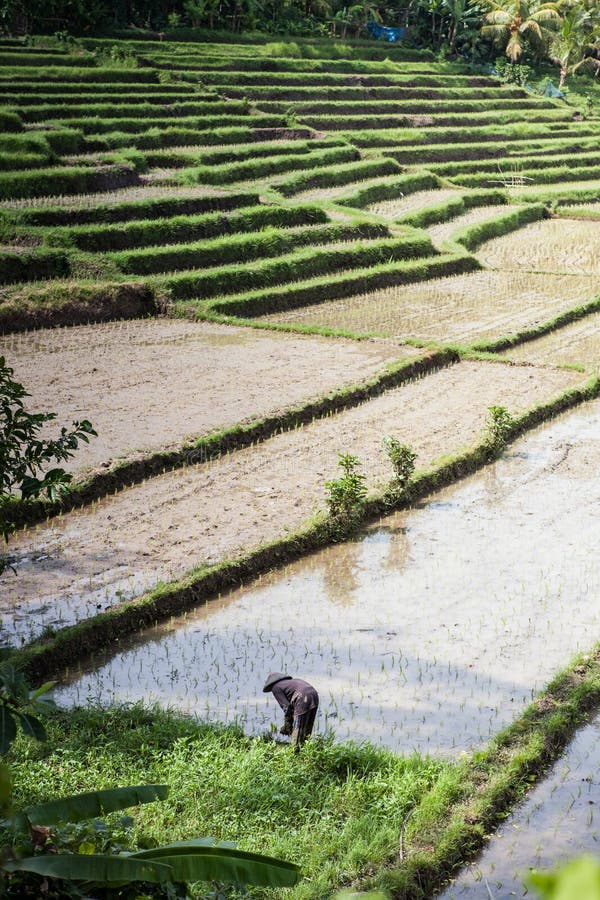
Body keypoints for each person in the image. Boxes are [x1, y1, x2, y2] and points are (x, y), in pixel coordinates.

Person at [263, 672, 319, 750]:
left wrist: (288, 725)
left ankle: (295, 752)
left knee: (298, 727)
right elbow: (291, 709)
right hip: (314, 695)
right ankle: (306, 748)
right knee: (307, 727)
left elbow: (287, 707)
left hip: (302, 697)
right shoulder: (292, 682)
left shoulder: (275, 687)